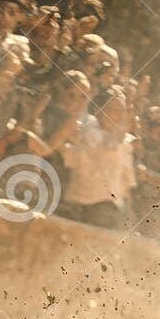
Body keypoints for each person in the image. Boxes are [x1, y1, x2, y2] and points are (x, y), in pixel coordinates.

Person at [57, 85, 135, 229]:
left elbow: (126, 183)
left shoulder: (124, 142)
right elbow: (107, 147)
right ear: (99, 110)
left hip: (109, 209)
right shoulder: (88, 130)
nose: (119, 115)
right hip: (83, 206)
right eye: (114, 109)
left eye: (122, 111)